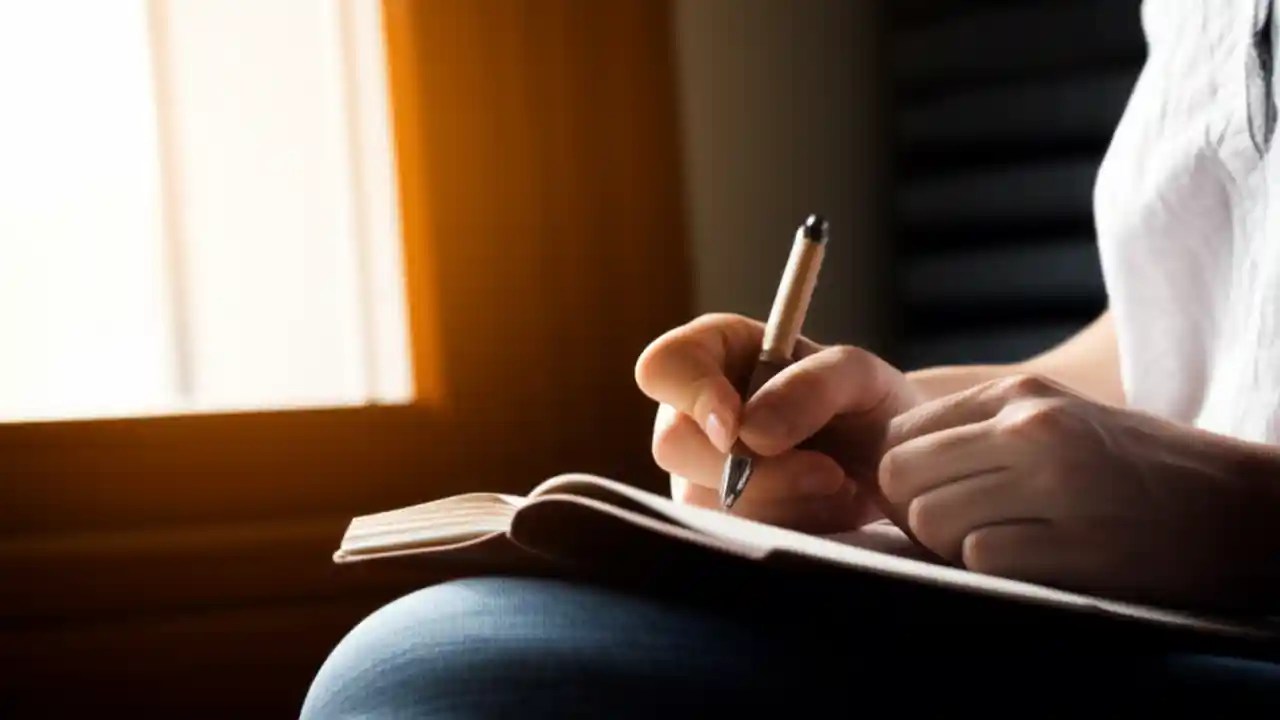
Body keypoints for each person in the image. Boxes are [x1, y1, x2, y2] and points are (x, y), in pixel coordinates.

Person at [300, 2, 1280, 716]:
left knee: (441, 681)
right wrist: (886, 427)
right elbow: (1186, 331)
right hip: (1146, 608)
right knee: (427, 659)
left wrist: (1244, 518)